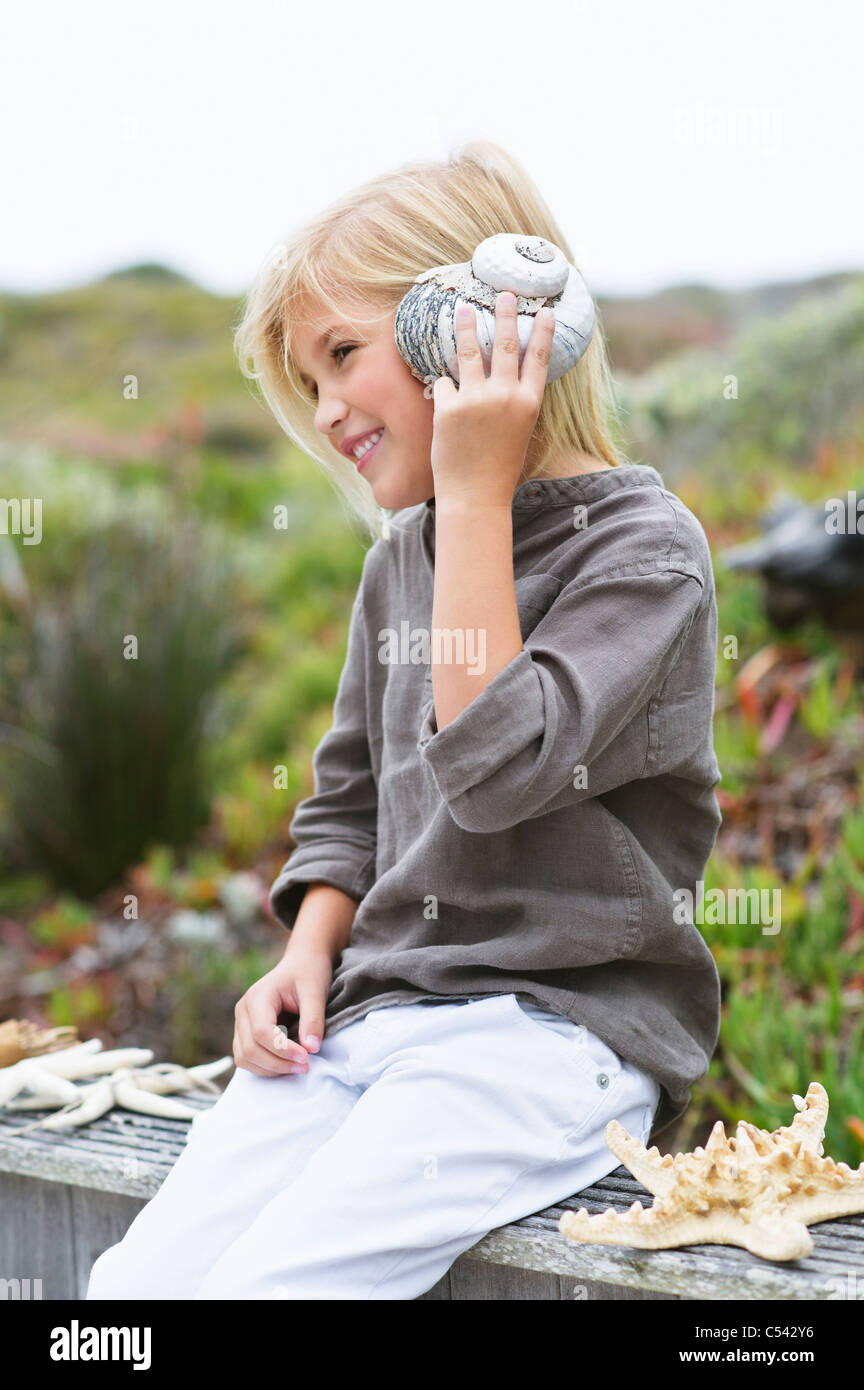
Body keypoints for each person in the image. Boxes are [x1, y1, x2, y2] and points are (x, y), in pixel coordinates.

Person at [86, 140, 722, 1301]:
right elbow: (349, 797)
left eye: (342, 357)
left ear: (469, 327)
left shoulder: (646, 553)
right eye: (306, 381)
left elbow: (494, 768)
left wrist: (477, 490)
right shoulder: (403, 560)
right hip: (374, 1023)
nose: (326, 411)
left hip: (550, 1036)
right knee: (132, 1294)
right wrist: (307, 949)